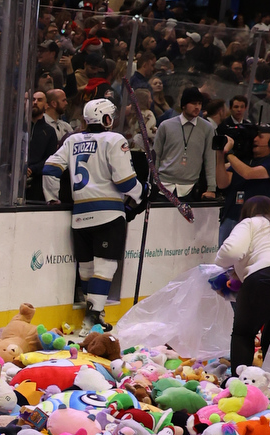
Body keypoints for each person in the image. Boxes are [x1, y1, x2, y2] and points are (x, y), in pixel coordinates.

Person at [43, 95, 144, 328]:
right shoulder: (114, 139)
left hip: (80, 215)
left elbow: (50, 169)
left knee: (87, 267)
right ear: (106, 118)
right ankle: (94, 317)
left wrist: (52, 199)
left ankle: (89, 320)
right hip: (108, 213)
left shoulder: (72, 140)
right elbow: (125, 182)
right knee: (105, 266)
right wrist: (142, 192)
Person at [216, 196, 270, 378]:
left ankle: (240, 386)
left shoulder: (250, 223)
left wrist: (219, 263)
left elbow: (232, 251)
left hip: (265, 277)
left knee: (243, 333)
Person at [151, 86, 217, 204]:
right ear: (183, 105)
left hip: (191, 189)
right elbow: (156, 155)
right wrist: (153, 182)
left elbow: (210, 159)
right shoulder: (166, 126)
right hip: (163, 187)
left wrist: (211, 188)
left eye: (199, 103)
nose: (197, 107)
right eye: (193, 103)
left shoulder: (207, 128)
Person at [223, 123, 270, 240]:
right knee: (224, 255)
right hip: (231, 216)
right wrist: (219, 154)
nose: (255, 139)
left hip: (255, 220)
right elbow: (222, 182)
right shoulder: (244, 161)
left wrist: (229, 153)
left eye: (260, 137)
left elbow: (248, 173)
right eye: (255, 136)